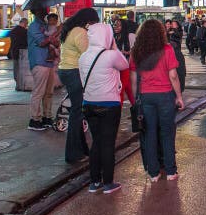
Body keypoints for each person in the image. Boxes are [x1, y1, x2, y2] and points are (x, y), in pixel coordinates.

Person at [130, 19, 185, 182]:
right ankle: (170, 171)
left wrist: (135, 99)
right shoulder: (167, 49)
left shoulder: (136, 52)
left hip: (145, 96)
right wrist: (179, 96)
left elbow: (133, 80)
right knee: (167, 133)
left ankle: (153, 173)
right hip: (165, 95)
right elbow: (173, 75)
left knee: (149, 134)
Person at [79, 23, 130, 194]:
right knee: (108, 143)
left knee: (96, 142)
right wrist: (114, 45)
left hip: (89, 103)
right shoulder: (111, 55)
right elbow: (125, 64)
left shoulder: (83, 57)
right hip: (109, 104)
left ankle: (94, 182)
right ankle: (108, 182)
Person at [57, 8, 100, 160]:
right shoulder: (80, 32)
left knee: (78, 110)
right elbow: (87, 54)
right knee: (77, 112)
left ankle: (81, 149)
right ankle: (73, 153)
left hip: (65, 70)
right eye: (92, 22)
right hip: (74, 72)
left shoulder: (69, 30)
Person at [27, 7, 61, 131]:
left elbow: (55, 42)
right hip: (39, 61)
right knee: (39, 92)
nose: (45, 13)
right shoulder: (34, 26)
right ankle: (35, 119)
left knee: (49, 92)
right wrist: (57, 31)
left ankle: (47, 116)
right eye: (42, 10)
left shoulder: (46, 26)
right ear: (36, 11)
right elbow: (42, 42)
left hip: (49, 62)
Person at [9, 17, 28, 88]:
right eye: (26, 24)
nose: (26, 25)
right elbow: (26, 42)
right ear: (24, 23)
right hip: (22, 52)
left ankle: (17, 84)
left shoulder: (13, 30)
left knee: (16, 68)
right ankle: (21, 84)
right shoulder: (24, 31)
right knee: (22, 68)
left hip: (14, 51)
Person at [168, 20, 187, 92]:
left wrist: (173, 31)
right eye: (172, 24)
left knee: (179, 72)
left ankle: (179, 89)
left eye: (174, 24)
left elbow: (178, 35)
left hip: (176, 52)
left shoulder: (178, 32)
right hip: (171, 53)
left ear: (177, 25)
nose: (172, 25)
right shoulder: (169, 31)